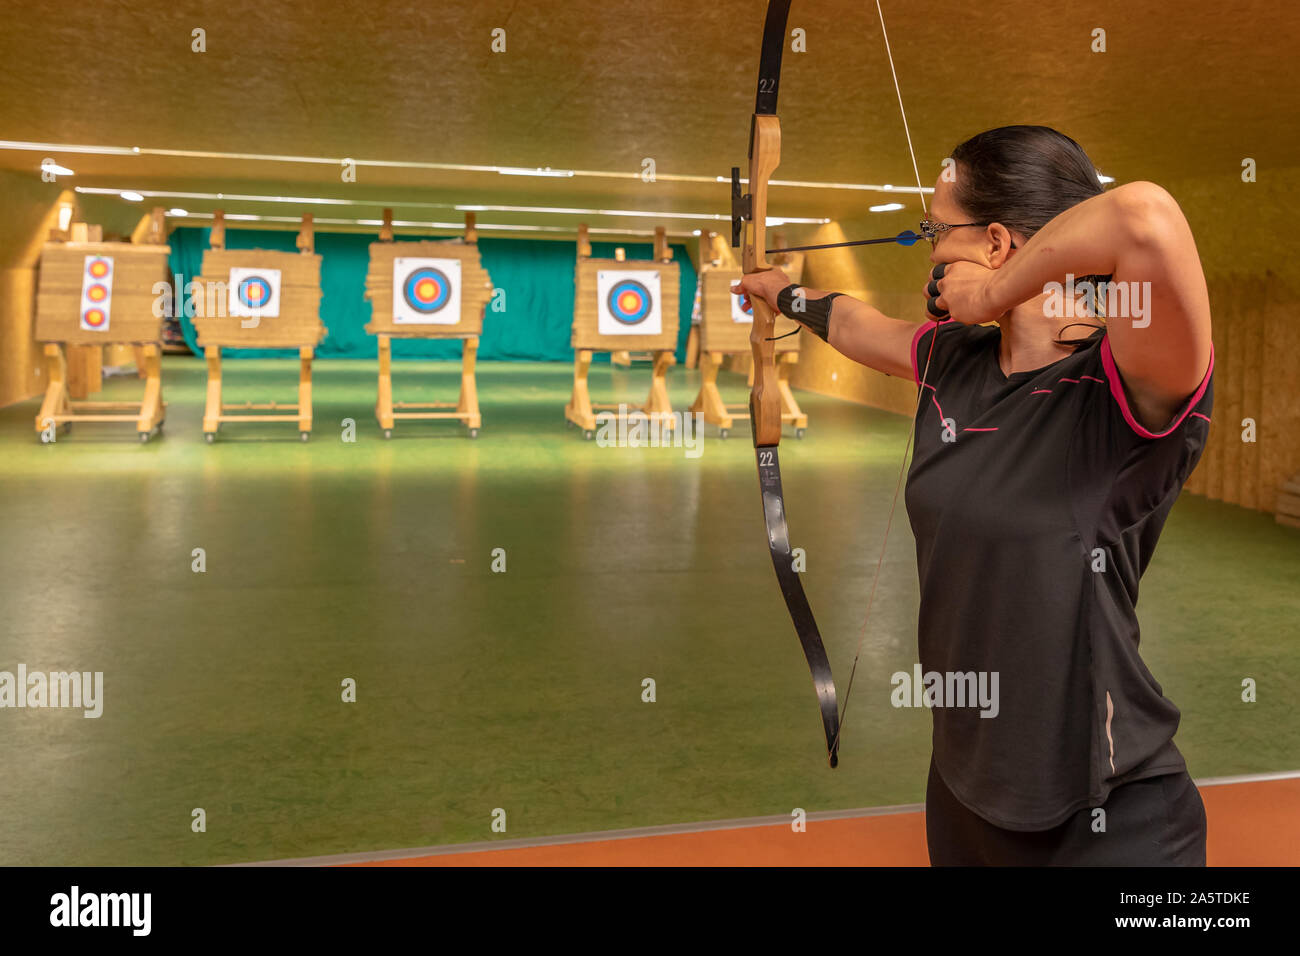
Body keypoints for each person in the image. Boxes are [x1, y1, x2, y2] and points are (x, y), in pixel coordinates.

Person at [734, 125, 1213, 865]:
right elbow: (865, 328)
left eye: (935, 231)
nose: (928, 249)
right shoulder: (951, 361)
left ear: (996, 243)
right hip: (962, 793)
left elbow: (1144, 216)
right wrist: (785, 293)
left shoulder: (1123, 383)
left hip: (1109, 816)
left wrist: (991, 293)